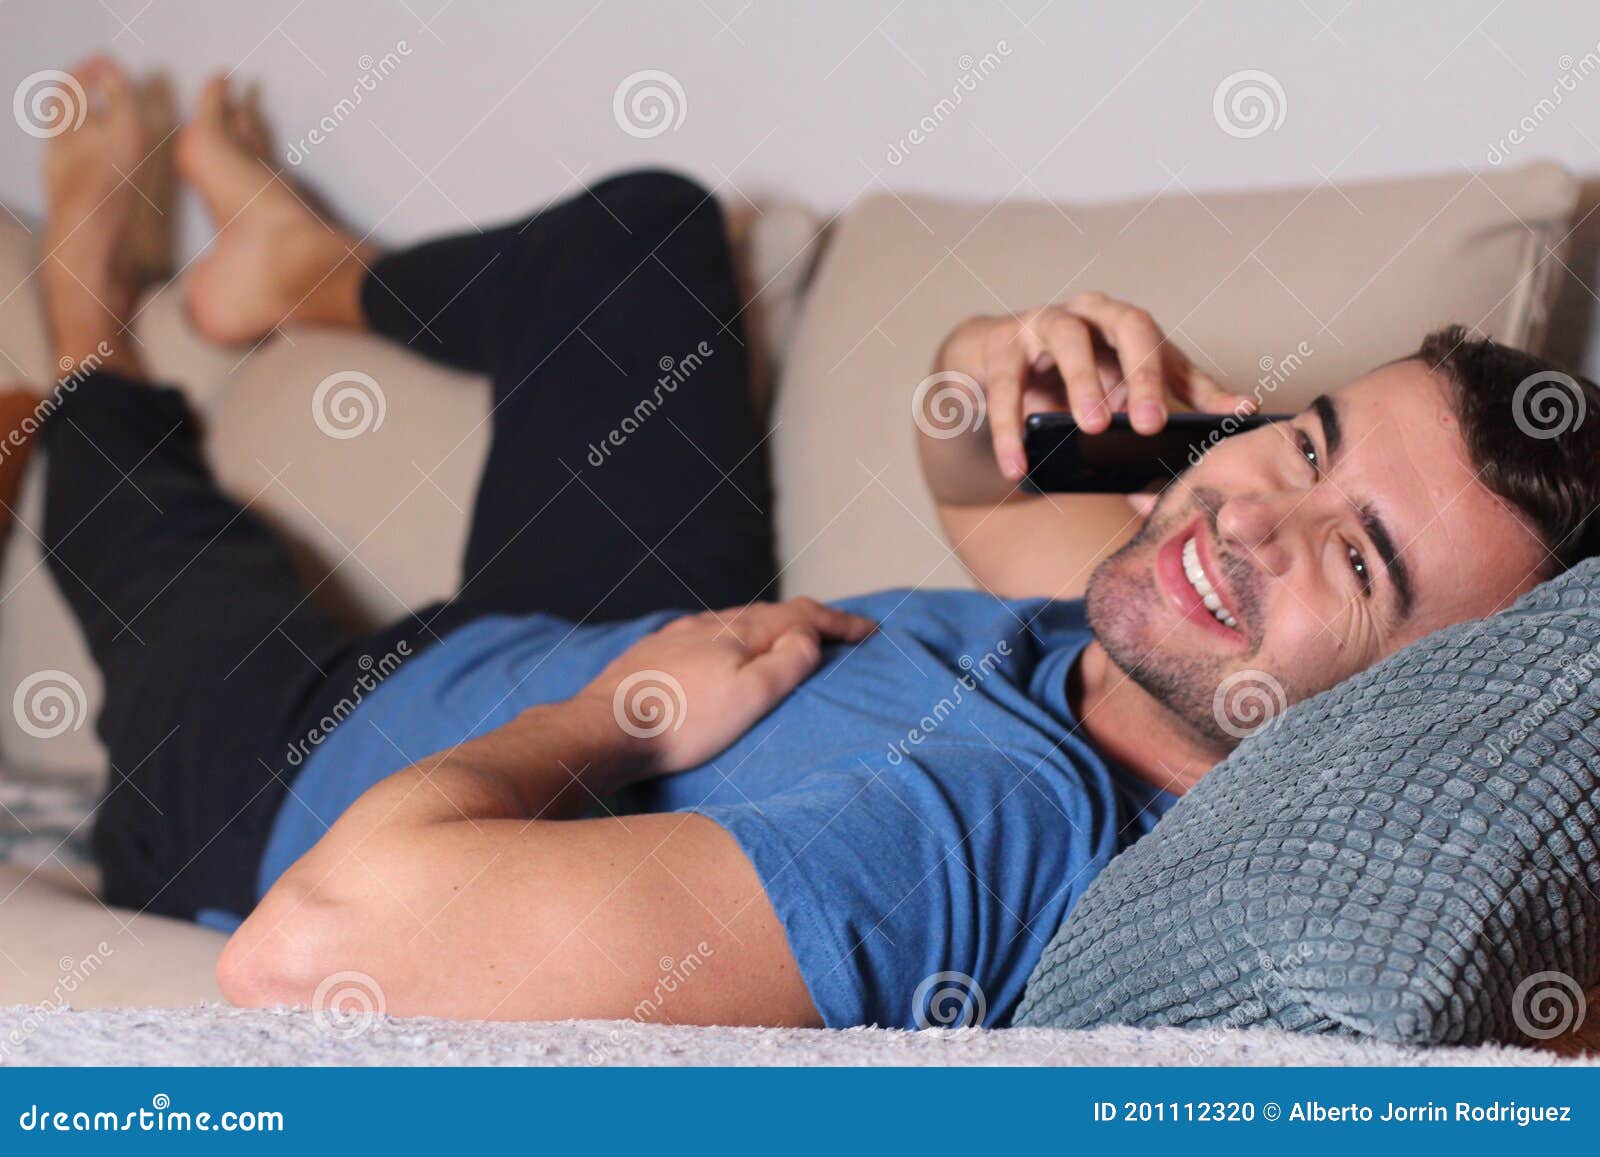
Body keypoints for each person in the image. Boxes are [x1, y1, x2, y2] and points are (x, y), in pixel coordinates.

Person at [28, 57, 1600, 1031]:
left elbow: (309, 955)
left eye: (1360, 561)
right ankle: (303, 273)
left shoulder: (971, 834)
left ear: (1412, 708)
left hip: (290, 775)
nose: (1255, 513)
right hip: (590, 623)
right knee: (641, 239)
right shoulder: (1151, 670)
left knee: (140, 510)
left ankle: (93, 325)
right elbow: (977, 489)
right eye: (1310, 443)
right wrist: (996, 354)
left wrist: (618, 712)